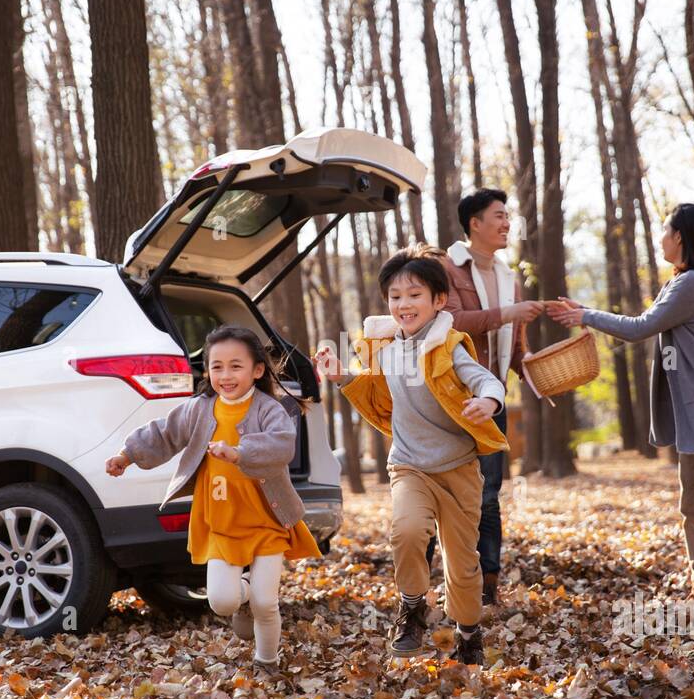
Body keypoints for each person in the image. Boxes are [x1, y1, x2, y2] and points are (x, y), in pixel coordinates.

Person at [548, 203, 694, 600]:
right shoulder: (679, 283)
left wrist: (586, 316)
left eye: (664, 230)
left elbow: (642, 327)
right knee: (693, 504)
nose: (659, 237)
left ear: (679, 237)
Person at [314, 247, 508, 665]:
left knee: (463, 563)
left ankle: (468, 633)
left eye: (414, 294)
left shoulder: (449, 346)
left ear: (438, 301)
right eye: (395, 296)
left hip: (458, 468)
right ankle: (413, 605)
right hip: (408, 465)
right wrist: (340, 374)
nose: (403, 304)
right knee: (405, 532)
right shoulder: (384, 347)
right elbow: (375, 388)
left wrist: (489, 402)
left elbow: (486, 380)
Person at [107, 325, 321, 666]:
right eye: (217, 366)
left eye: (236, 366)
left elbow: (282, 444)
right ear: (207, 370)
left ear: (257, 370)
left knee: (267, 603)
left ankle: (267, 663)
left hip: (267, 520)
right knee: (221, 602)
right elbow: (164, 433)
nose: (226, 375)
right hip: (221, 522)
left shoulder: (269, 409)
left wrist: (239, 453)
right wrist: (127, 455)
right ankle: (245, 593)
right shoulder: (200, 409)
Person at [428, 188, 545, 607]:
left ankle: (487, 584)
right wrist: (508, 314)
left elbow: (513, 347)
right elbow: (452, 320)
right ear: (474, 223)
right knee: (436, 488)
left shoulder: (508, 275)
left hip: (490, 401)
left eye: (507, 215)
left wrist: (532, 363)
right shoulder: (446, 267)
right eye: (498, 215)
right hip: (450, 398)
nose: (506, 223)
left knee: (489, 493)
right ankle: (421, 585)